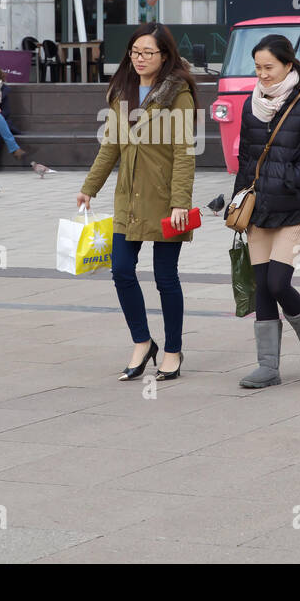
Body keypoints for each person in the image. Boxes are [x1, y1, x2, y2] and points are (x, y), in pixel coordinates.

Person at [76, 24, 197, 382]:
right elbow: (110, 145)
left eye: (148, 53)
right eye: (135, 52)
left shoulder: (178, 94)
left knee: (165, 277)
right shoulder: (123, 91)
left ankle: (173, 350)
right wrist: (89, 188)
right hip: (128, 198)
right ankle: (143, 342)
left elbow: (184, 152)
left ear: (165, 56)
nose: (140, 59)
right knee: (122, 270)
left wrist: (180, 202)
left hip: (165, 200)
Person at [234, 34, 300, 389]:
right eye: (258, 68)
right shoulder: (252, 105)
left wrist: (293, 177)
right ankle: (268, 366)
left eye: (269, 67)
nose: (262, 75)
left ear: (288, 65)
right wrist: (237, 202)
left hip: (295, 209)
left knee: (279, 282)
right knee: (262, 286)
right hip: (258, 207)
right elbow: (246, 157)